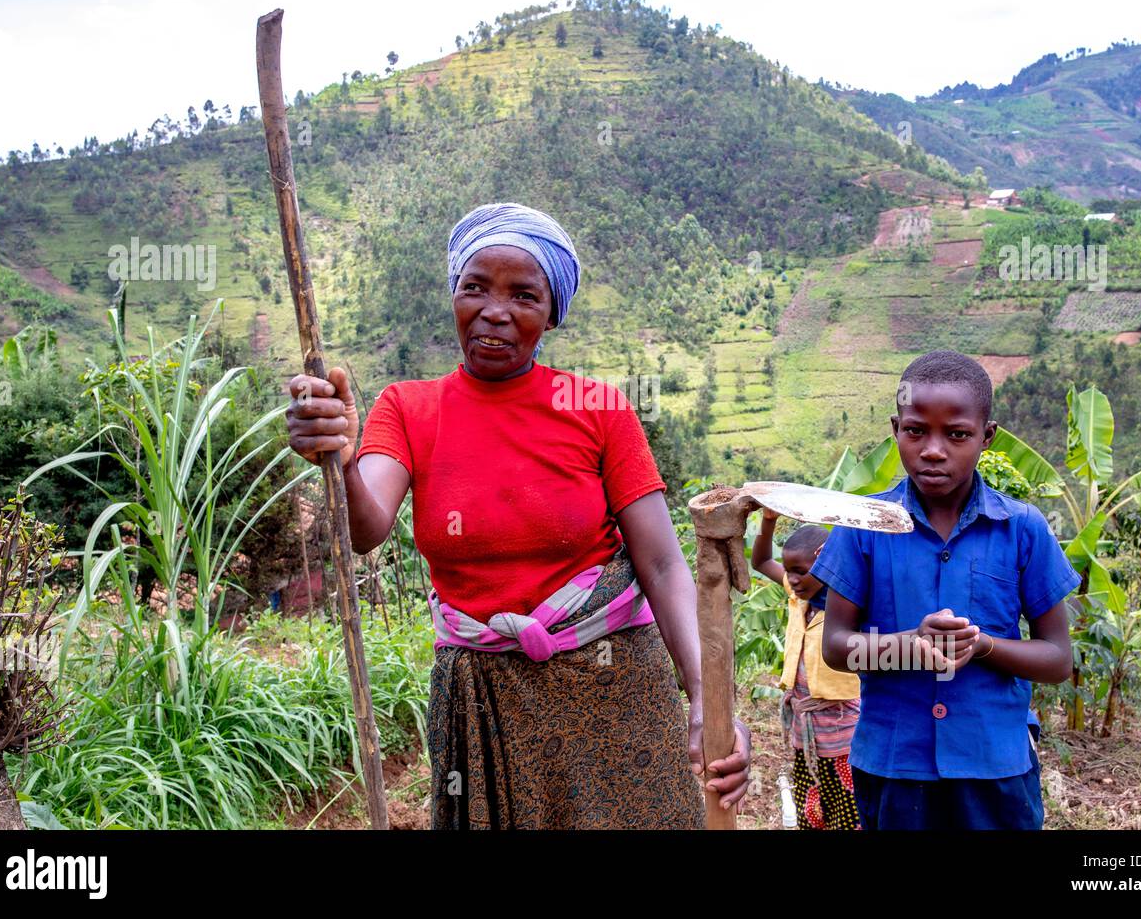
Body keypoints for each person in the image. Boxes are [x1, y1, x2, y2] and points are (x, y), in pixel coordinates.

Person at [285, 202, 750, 829]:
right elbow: (366, 529)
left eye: (523, 295)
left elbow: (663, 564)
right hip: (483, 699)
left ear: (552, 314)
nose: (495, 310)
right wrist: (339, 458)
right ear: (454, 295)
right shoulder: (409, 408)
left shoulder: (597, 407)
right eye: (474, 287)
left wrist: (705, 697)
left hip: (615, 689)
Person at [814, 350, 1078, 830]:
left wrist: (982, 647)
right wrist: (909, 648)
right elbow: (836, 648)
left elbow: (1058, 659)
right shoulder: (862, 525)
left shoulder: (1022, 529)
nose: (933, 450)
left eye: (957, 434)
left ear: (987, 437)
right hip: (894, 766)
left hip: (995, 768)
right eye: (916, 431)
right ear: (896, 429)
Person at [751, 512, 861, 830]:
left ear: (826, 562)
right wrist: (768, 520)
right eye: (789, 573)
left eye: (800, 571)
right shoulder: (801, 598)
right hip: (805, 729)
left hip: (844, 732)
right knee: (812, 812)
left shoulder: (850, 605)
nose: (793, 580)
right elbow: (759, 561)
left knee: (850, 815)